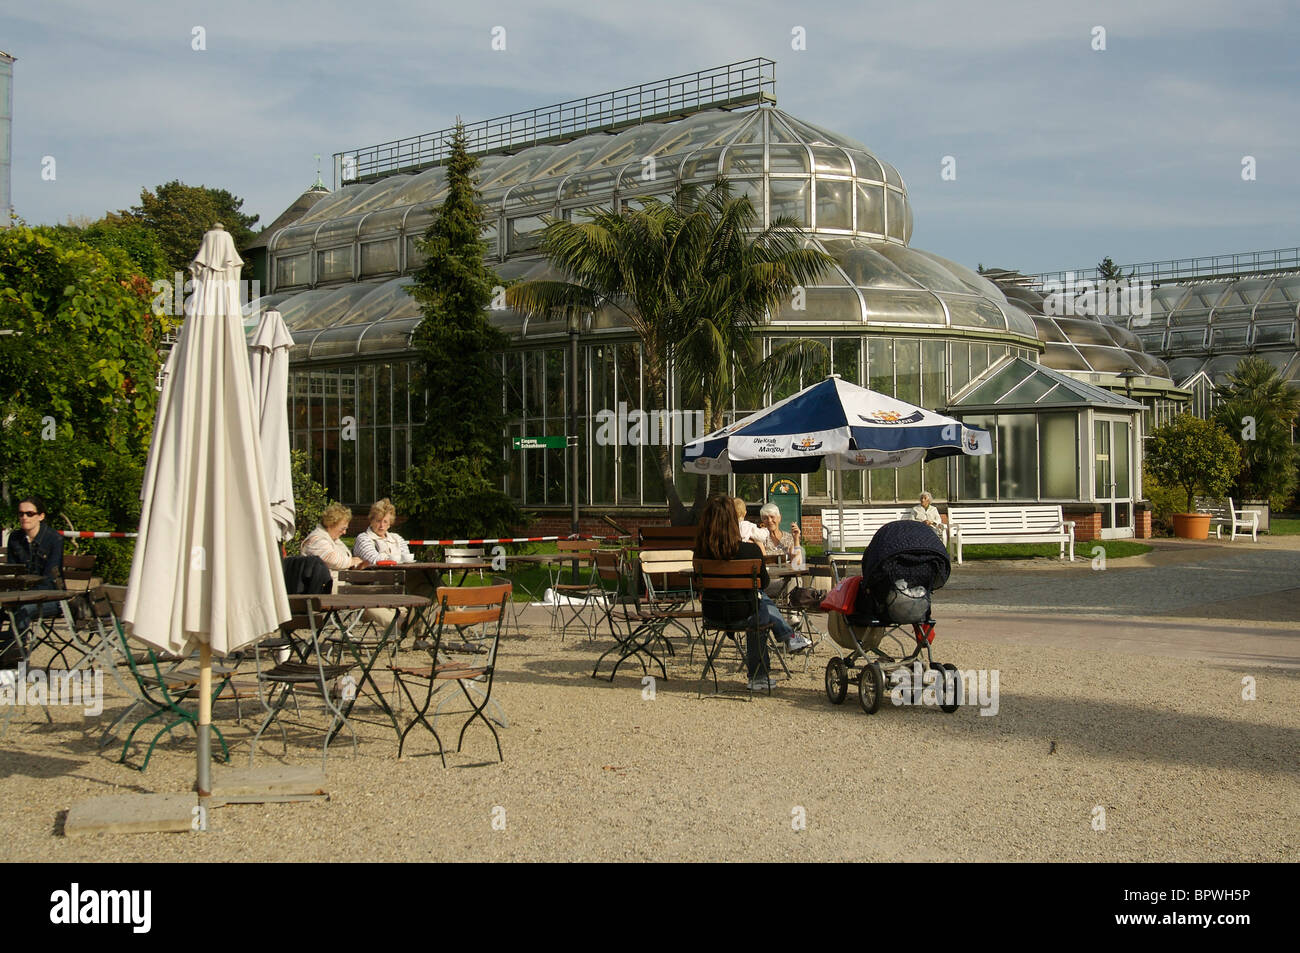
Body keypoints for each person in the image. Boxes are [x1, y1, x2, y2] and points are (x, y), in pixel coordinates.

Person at [696, 494, 810, 693]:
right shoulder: (749, 551)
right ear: (734, 521)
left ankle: (787, 638)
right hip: (745, 614)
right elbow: (763, 583)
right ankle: (761, 672)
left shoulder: (699, 553)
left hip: (712, 612)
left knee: (759, 602)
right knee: (759, 605)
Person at [3, 496, 64, 671]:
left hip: (52, 598)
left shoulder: (54, 539)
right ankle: (5, 656)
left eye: (30, 513)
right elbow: (13, 573)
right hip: (22, 596)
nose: (25, 518)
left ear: (41, 516)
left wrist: (23, 596)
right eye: (21, 514)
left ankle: (14, 663)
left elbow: (50, 579)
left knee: (21, 611)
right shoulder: (15, 538)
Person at [751, 502, 806, 598]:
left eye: (772, 517)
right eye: (765, 518)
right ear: (762, 521)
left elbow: (797, 564)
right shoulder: (760, 538)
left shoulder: (788, 538)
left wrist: (796, 539)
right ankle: (792, 611)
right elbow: (764, 561)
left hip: (785, 580)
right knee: (794, 582)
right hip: (768, 581)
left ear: (779, 518)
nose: (769, 520)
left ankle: (792, 612)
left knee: (795, 580)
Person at [353, 499, 415, 566]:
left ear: (389, 524)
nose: (382, 525)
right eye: (378, 521)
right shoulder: (363, 538)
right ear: (371, 521)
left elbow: (407, 559)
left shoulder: (397, 538)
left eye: (385, 522)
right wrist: (395, 558)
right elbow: (373, 560)